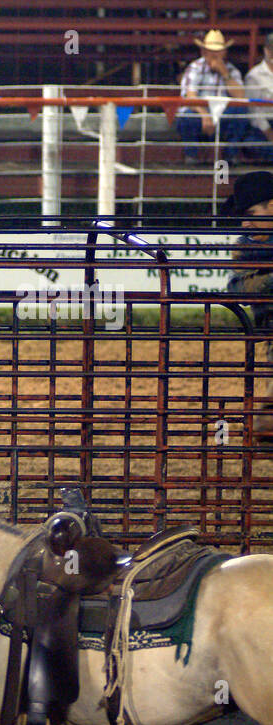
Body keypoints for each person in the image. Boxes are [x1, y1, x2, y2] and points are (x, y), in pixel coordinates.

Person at [223, 170, 273, 443]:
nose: (245, 224)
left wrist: (263, 279)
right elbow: (237, 289)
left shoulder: (246, 247)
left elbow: (242, 286)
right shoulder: (245, 246)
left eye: (251, 214)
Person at [176, 29, 255, 164]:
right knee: (186, 116)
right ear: (203, 52)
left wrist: (225, 74)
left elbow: (241, 96)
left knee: (241, 112)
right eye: (211, 51)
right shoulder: (194, 68)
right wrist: (204, 114)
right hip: (198, 113)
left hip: (223, 114)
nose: (214, 54)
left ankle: (231, 156)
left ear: (224, 52)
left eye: (218, 51)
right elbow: (190, 97)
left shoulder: (231, 70)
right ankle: (191, 156)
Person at [244, 32, 273, 163]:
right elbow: (254, 111)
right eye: (271, 48)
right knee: (253, 145)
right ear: (266, 50)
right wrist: (269, 132)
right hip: (262, 127)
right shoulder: (254, 75)